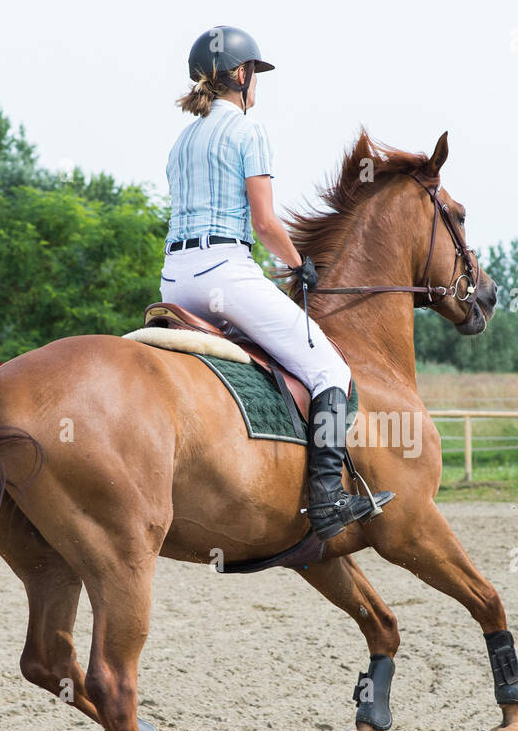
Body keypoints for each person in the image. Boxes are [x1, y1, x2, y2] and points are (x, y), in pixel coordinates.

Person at [161, 26, 393, 541]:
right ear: (241, 76)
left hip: (174, 283)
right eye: (255, 76)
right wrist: (297, 263)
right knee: (329, 367)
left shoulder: (182, 140)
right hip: (225, 271)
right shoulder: (249, 131)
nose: (256, 86)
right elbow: (265, 224)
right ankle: (328, 496)